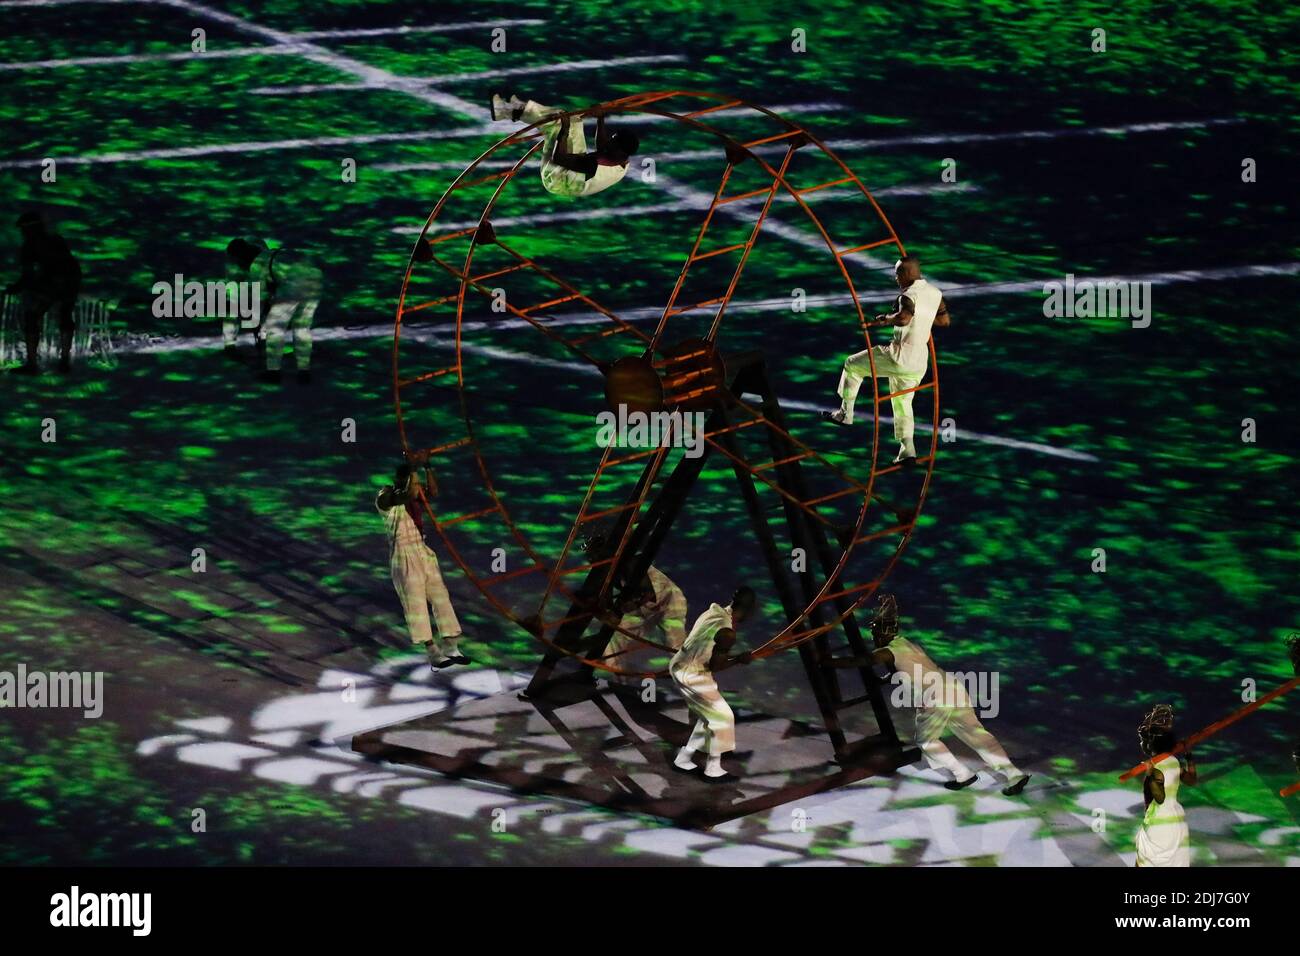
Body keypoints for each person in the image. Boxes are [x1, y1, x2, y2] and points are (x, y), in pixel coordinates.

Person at [869, 593, 1030, 795]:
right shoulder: (906, 644)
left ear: (883, 633)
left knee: (926, 740)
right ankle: (1013, 773)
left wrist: (827, 661)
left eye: (874, 633)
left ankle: (962, 773)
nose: (873, 637)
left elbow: (862, 661)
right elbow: (905, 669)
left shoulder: (885, 651)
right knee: (975, 733)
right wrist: (884, 679)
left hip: (936, 697)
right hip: (952, 688)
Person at [823, 255, 950, 466]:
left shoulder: (907, 296)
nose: (896, 279)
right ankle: (907, 450)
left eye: (897, 274)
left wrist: (884, 320)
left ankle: (845, 414)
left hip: (899, 356)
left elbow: (903, 318)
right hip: (919, 362)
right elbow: (944, 321)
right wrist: (923, 320)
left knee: (852, 365)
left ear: (906, 274)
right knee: (902, 402)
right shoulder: (936, 293)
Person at [376, 452, 468, 670]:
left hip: (422, 550)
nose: (419, 487)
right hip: (404, 555)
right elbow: (405, 495)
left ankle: (450, 646)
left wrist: (427, 467)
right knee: (416, 604)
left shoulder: (413, 494)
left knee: (440, 597)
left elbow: (433, 491)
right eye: (415, 483)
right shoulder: (386, 496)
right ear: (405, 481)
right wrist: (413, 469)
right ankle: (433, 652)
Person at [670, 586, 755, 781]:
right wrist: (740, 660)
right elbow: (716, 666)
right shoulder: (727, 632)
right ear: (750, 609)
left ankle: (684, 758)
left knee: (708, 717)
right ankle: (713, 769)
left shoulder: (713, 611)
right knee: (722, 716)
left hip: (683, 666)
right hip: (692, 674)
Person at [582, 531, 688, 684]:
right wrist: (602, 611)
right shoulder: (607, 570)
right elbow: (606, 600)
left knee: (675, 645)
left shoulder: (631, 561)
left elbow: (646, 592)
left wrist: (622, 609)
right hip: (644, 609)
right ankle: (621, 681)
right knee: (613, 638)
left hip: (669, 602)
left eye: (595, 553)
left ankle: (691, 681)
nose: (592, 558)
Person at [490, 92, 639, 199]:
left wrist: (565, 130)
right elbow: (603, 148)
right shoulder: (621, 158)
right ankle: (517, 109)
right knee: (573, 120)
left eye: (612, 142)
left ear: (619, 150)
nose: (608, 142)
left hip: (557, 178)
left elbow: (559, 158)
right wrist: (600, 118)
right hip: (574, 172)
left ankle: (506, 110)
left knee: (561, 122)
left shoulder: (595, 166)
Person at [227, 237, 321, 384]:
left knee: (275, 329)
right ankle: (304, 371)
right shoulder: (272, 254)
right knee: (302, 328)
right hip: (314, 277)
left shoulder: (256, 266)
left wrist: (260, 322)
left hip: (293, 286)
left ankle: (273, 372)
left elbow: (259, 299)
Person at [5, 211, 81, 374]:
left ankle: (32, 364)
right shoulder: (56, 240)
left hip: (54, 284)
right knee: (65, 317)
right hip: (70, 282)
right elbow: (69, 263)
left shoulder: (29, 247)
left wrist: (15, 288)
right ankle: (64, 362)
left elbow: (28, 276)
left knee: (32, 317)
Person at [1134, 704, 1195, 867]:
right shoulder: (1174, 761)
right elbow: (1191, 780)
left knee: (1146, 862)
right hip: (1176, 819)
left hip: (1160, 822)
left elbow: (1160, 798)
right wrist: (1188, 757)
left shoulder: (1156, 768)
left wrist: (1150, 774)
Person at [222, 237, 268, 362]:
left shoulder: (262, 254)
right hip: (239, 279)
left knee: (263, 306)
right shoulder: (233, 265)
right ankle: (229, 345)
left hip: (259, 277)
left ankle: (263, 339)